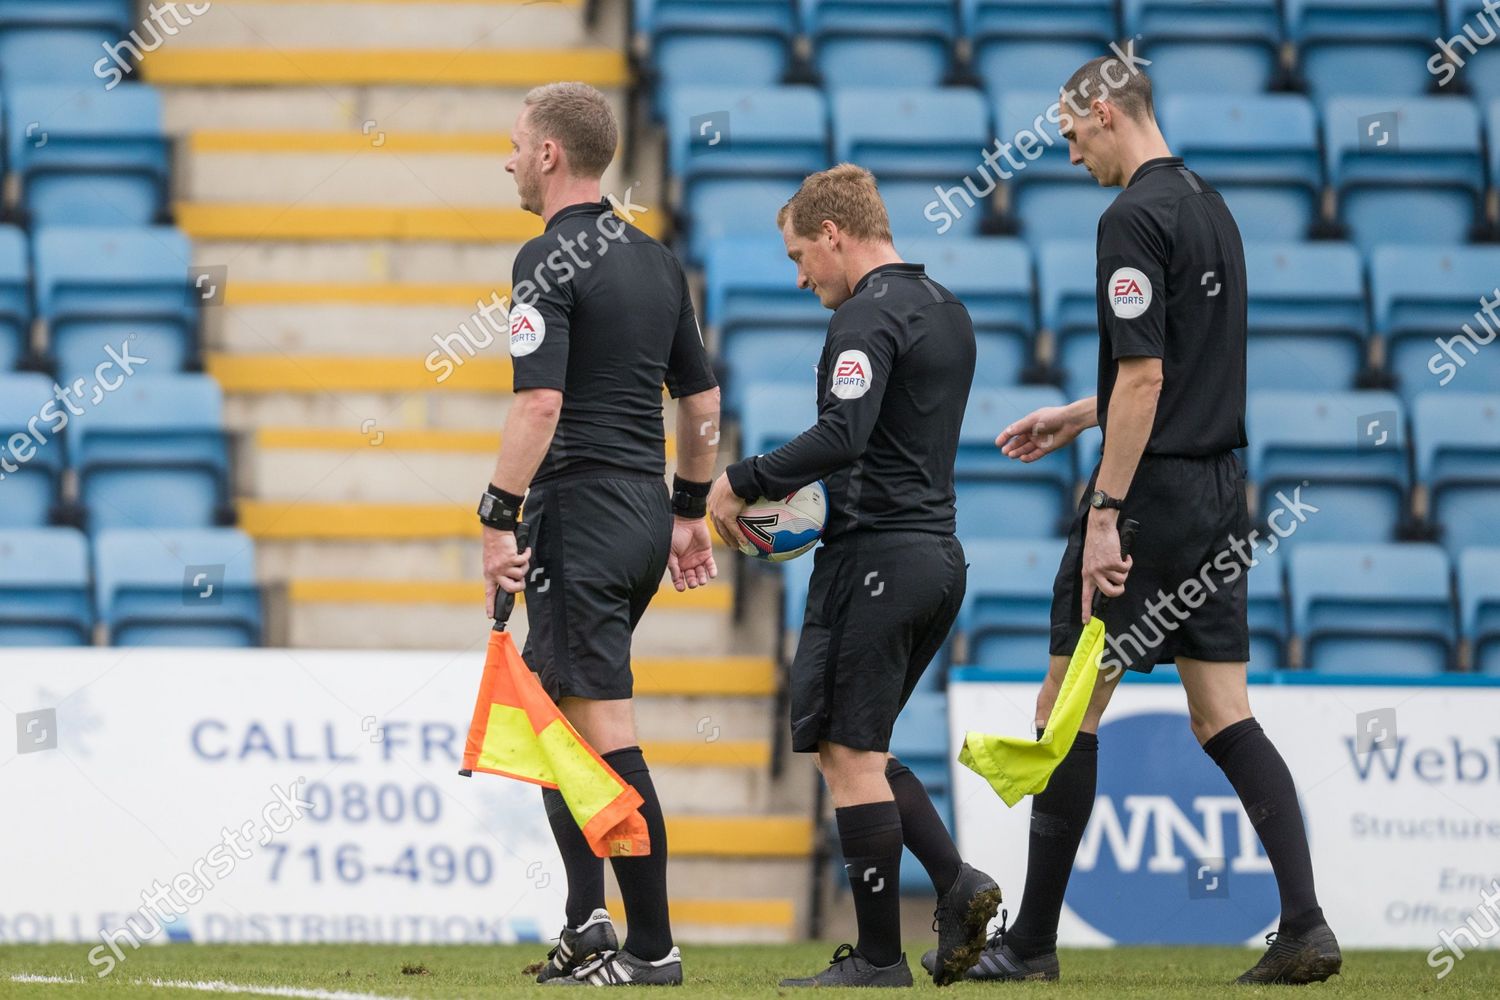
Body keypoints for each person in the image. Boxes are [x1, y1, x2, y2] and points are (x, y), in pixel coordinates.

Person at [960, 58, 1341, 985]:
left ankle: (1034, 944)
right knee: (1223, 716)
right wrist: (1078, 411)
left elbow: (1146, 377)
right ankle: (1304, 928)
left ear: (1103, 111)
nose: (1070, 153)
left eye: (1070, 134)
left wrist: (1105, 512)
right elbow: (1176, 372)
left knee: (1066, 711)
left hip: (1149, 500)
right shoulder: (1212, 208)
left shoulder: (1129, 217)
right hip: (1220, 492)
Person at [707, 164, 1000, 988]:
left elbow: (844, 434)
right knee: (856, 750)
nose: (801, 277)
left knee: (848, 752)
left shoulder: (864, 318)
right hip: (939, 560)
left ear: (835, 235)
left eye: (803, 255)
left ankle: (878, 959)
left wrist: (746, 478)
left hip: (874, 561)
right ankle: (958, 885)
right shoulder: (947, 308)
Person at [481, 81, 721, 987]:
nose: (506, 159)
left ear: (550, 155)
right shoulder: (658, 261)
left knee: (601, 728)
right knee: (557, 722)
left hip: (578, 512)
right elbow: (701, 400)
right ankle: (587, 924)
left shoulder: (543, 257)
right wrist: (689, 510)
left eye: (515, 143)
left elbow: (539, 402)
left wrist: (496, 515)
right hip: (639, 511)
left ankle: (653, 947)